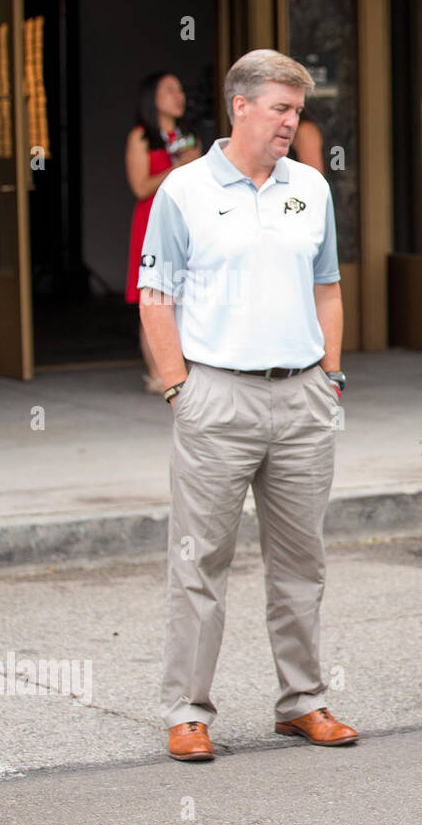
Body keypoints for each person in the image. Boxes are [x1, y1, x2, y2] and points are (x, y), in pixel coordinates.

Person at [138, 49, 354, 762]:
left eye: (298, 110)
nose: (293, 121)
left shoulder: (311, 189)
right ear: (240, 107)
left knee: (302, 563)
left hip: (301, 398)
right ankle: (188, 711)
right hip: (216, 397)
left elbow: (327, 288)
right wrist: (179, 388)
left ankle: (303, 703)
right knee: (199, 562)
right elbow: (155, 297)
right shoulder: (184, 190)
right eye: (281, 108)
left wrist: (330, 375)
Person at [125, 72, 201, 392]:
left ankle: (188, 367)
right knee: (155, 293)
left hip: (188, 221)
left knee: (188, 295)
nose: (178, 95)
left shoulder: (190, 137)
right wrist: (178, 167)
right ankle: (158, 374)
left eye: (180, 88)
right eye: (170, 89)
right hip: (152, 220)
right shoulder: (141, 137)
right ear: (152, 97)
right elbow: (140, 186)